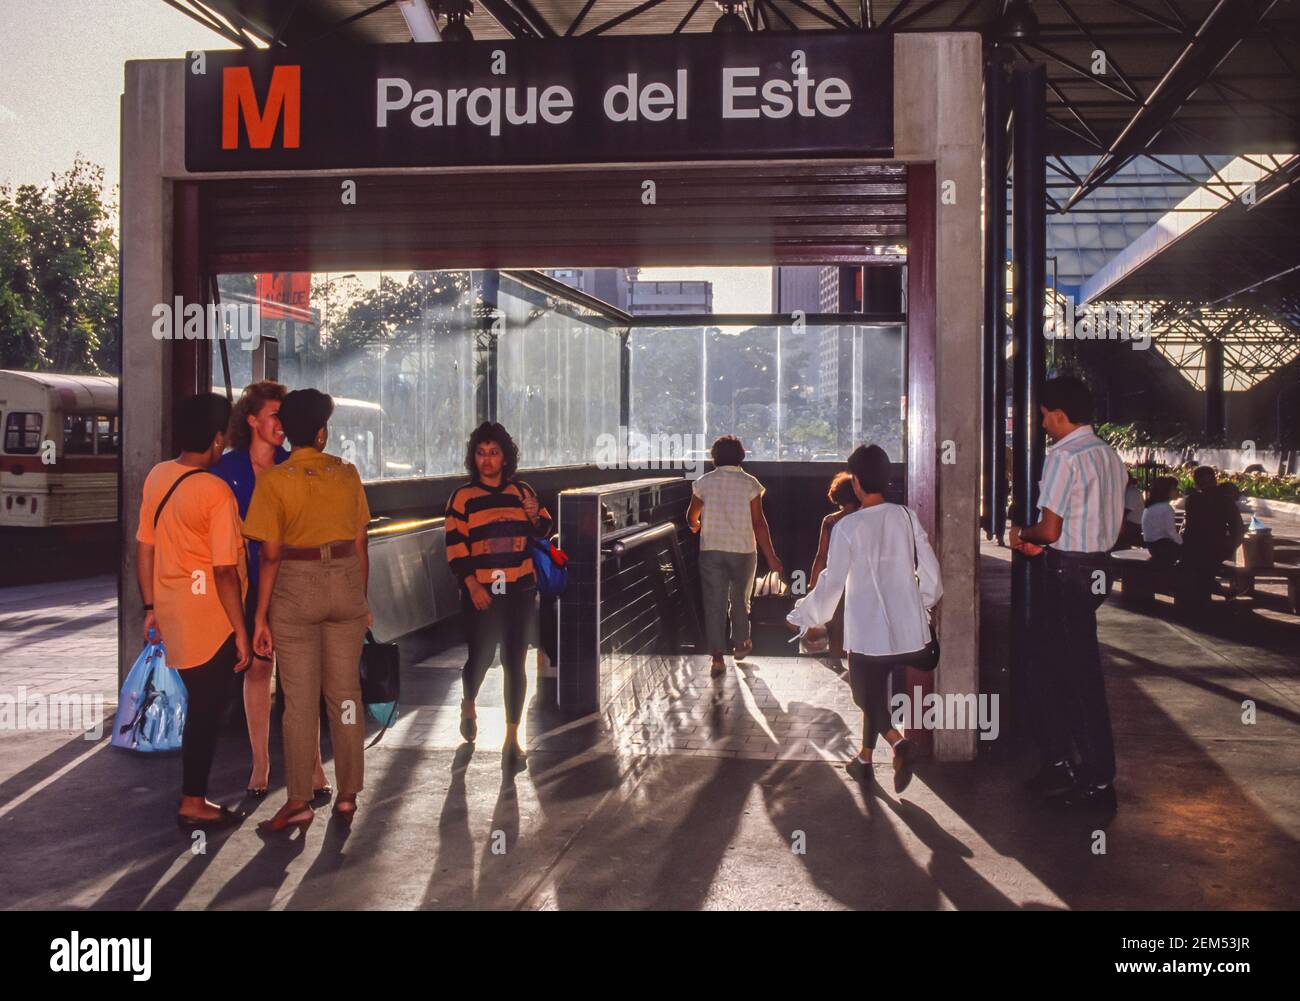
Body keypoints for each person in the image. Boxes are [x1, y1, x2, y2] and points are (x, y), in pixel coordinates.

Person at [243, 389, 373, 833]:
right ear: (321, 433)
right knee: (347, 697)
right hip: (345, 585)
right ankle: (348, 795)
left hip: (295, 590)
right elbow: (360, 543)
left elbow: (271, 554)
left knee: (299, 703)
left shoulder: (275, 481)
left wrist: (260, 616)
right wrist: (360, 599)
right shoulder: (347, 473)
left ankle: (298, 800)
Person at [786, 444, 941, 794]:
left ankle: (898, 743)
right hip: (906, 635)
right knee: (875, 695)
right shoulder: (905, 516)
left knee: (863, 696)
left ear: (855, 482)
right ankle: (864, 760)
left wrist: (802, 615)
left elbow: (831, 583)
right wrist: (922, 605)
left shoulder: (848, 526)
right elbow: (930, 572)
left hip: (868, 634)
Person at [1010, 375, 1127, 813]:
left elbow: (1051, 529)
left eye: (1043, 417)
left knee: (1071, 678)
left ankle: (1095, 779)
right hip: (1096, 569)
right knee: (1056, 671)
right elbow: (1103, 526)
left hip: (1066, 573)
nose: (1042, 425)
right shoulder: (1109, 455)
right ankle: (1061, 765)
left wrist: (1020, 534)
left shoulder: (1063, 456)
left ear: (1059, 414)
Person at [211, 381, 332, 801]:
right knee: (259, 670)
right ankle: (260, 761)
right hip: (248, 586)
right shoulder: (226, 472)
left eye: (284, 416)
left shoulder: (295, 466)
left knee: (302, 676)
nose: (282, 425)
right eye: (274, 416)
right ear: (251, 420)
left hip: (293, 583)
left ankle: (313, 764)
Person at [136, 392, 250, 830]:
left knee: (201, 707)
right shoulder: (215, 491)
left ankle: (194, 795)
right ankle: (193, 801)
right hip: (210, 617)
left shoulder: (158, 475)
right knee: (206, 711)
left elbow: (144, 546)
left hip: (172, 609)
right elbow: (224, 571)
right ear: (217, 439)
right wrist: (240, 629)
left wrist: (150, 606)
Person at [444, 422, 552, 773]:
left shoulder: (522, 491)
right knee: (480, 657)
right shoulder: (462, 498)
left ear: (506, 457)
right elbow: (455, 547)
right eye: (480, 453)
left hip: (518, 589)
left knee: (514, 663)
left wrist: (536, 516)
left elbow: (542, 530)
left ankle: (511, 738)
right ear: (472, 457)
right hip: (483, 593)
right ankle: (470, 703)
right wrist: (472, 585)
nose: (486, 460)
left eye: (493, 453)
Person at [687, 435, 782, 677]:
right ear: (741, 455)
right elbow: (759, 523)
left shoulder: (703, 482)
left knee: (714, 603)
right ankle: (741, 643)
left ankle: (717, 658)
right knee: (740, 599)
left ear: (714, 457)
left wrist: (696, 525)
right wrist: (771, 557)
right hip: (743, 550)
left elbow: (691, 515)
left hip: (711, 550)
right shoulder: (750, 483)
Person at [808, 472, 861, 667]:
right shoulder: (864, 519)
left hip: (835, 579)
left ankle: (836, 664)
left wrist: (813, 584)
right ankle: (857, 667)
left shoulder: (830, 521)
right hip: (859, 578)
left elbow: (821, 556)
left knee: (835, 627)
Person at [1180, 466, 1245, 608]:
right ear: (1214, 480)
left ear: (1196, 482)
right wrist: (1230, 546)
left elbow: (1190, 528)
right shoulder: (1225, 500)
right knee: (1205, 571)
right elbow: (1237, 528)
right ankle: (1221, 592)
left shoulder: (1192, 499)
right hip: (1217, 547)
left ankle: (1215, 594)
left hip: (1194, 547)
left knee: (1200, 571)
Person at [1141, 475, 1182, 568]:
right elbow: (1171, 532)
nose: (1178, 491)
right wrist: (1182, 542)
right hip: (1162, 547)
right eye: (1175, 488)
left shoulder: (1150, 506)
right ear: (1166, 491)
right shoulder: (1166, 508)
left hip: (1151, 545)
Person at [1118, 472, 1145, 549]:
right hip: (1130, 524)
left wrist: (1119, 526)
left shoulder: (1132, 492)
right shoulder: (1128, 491)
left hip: (1132, 525)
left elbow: (1126, 511)